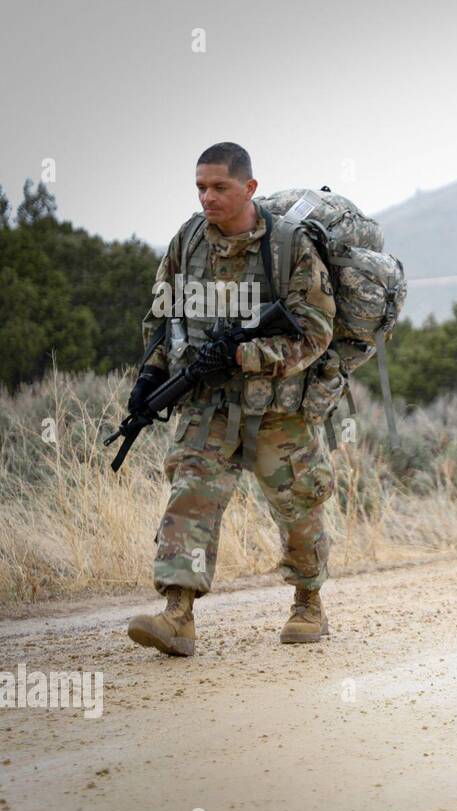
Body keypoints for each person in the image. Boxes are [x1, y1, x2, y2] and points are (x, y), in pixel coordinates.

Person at [125, 142, 337, 655]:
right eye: (201, 187)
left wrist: (246, 355)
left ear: (249, 188)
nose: (208, 198)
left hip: (278, 408)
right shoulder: (189, 240)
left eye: (220, 187)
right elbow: (163, 315)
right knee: (191, 496)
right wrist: (152, 373)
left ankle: (308, 601)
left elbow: (316, 331)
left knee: (298, 506)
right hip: (208, 404)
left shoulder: (288, 246)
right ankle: (178, 613)